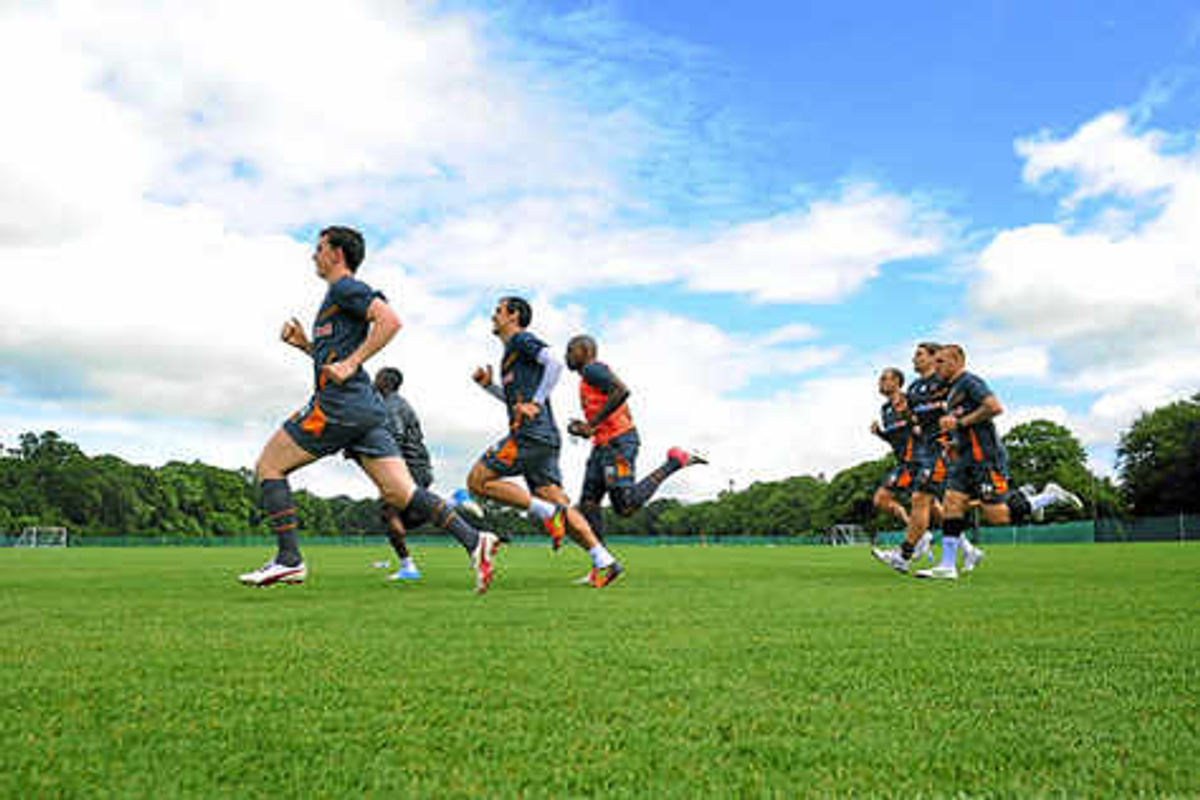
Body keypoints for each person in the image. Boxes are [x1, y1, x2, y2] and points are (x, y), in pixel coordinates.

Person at [238, 226, 500, 593]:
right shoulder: (337, 299)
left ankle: (289, 560)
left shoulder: (345, 287)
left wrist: (350, 364)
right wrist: (305, 347)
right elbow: (336, 356)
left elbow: (390, 321)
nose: (313, 255)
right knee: (401, 494)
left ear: (337, 255)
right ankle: (475, 540)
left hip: (339, 406)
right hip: (366, 410)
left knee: (269, 467)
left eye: (319, 249)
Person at [466, 296, 624, 587]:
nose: (493, 316)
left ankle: (548, 513)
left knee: (477, 481)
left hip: (531, 435)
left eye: (498, 311)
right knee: (560, 504)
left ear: (513, 316)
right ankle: (605, 560)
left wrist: (536, 403)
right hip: (545, 439)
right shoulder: (510, 358)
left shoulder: (520, 341)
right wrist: (489, 387)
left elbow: (554, 361)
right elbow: (515, 401)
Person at [914, 344, 1082, 580]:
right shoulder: (952, 392)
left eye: (941, 361)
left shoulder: (970, 382)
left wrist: (959, 424)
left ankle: (1047, 497)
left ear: (956, 361)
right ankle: (947, 566)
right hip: (964, 458)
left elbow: (994, 407)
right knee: (952, 503)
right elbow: (964, 424)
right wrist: (954, 442)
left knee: (997, 516)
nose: (936, 366)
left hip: (985, 457)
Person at [564, 334, 706, 582]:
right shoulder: (587, 378)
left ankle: (675, 461)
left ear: (585, 351)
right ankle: (605, 564)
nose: (566, 356)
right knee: (588, 504)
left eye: (570, 350)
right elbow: (607, 408)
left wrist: (591, 425)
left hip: (619, 444)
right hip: (602, 446)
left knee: (625, 506)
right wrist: (585, 428)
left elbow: (622, 391)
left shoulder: (592, 370)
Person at [371, 366, 483, 582]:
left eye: (377, 378)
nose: (374, 381)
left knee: (389, 511)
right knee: (399, 519)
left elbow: (395, 436)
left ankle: (409, 567)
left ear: (386, 381)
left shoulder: (392, 405)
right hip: (414, 466)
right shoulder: (391, 403)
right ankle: (451, 502)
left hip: (409, 467)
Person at [871, 344, 952, 573]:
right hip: (913, 458)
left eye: (885, 378)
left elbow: (920, 425)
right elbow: (903, 434)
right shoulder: (889, 407)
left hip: (923, 457)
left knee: (920, 501)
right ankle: (960, 549)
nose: (880, 383)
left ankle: (912, 548)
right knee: (929, 505)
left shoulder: (938, 385)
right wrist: (881, 434)